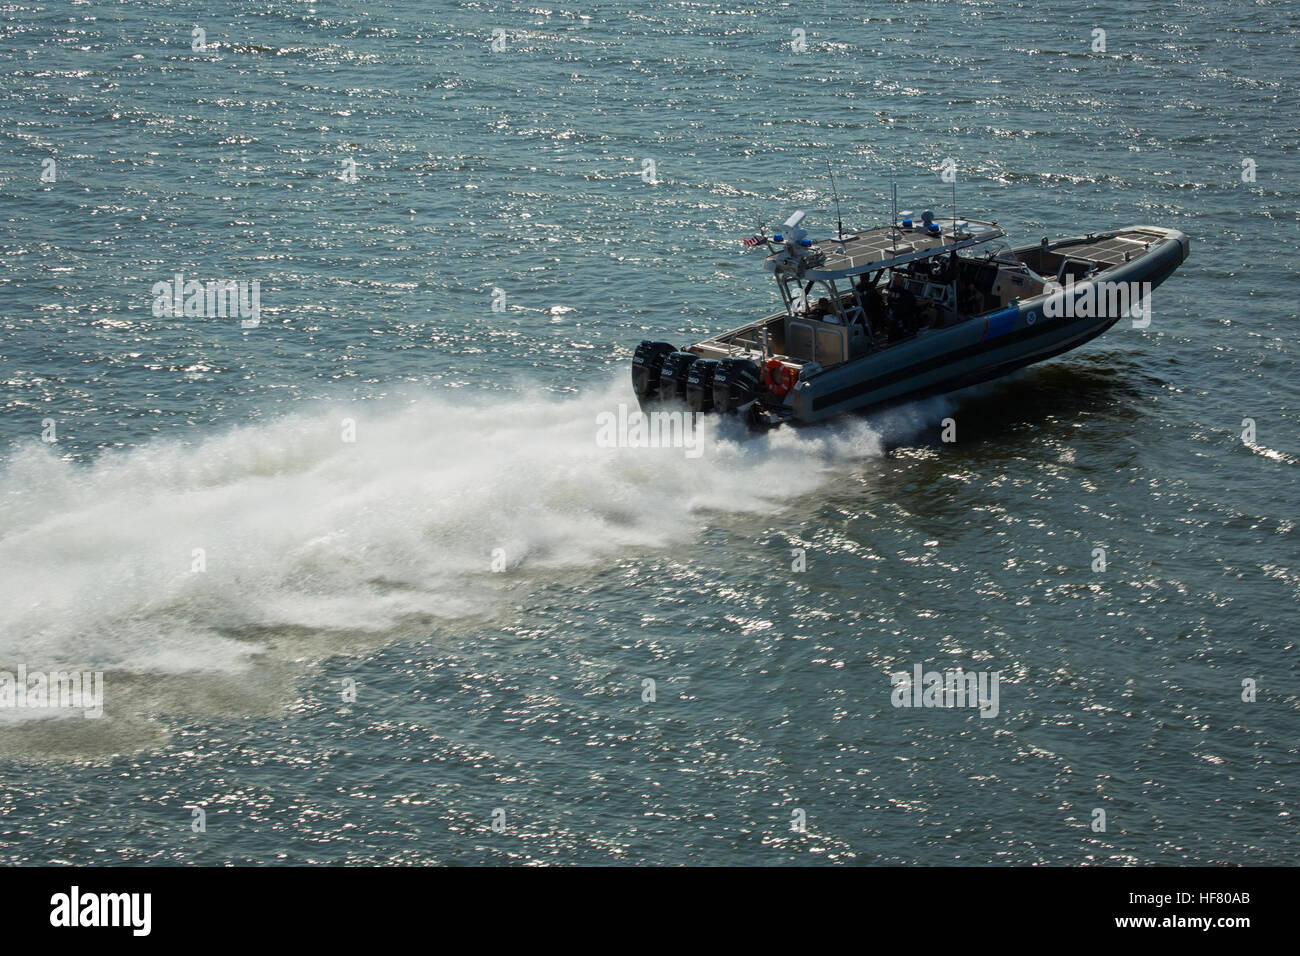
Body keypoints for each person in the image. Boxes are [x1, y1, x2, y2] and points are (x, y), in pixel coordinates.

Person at [887, 274, 918, 339]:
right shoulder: (906, 293)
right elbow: (916, 303)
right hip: (905, 320)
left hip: (894, 318)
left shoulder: (890, 292)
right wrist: (928, 301)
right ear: (902, 282)